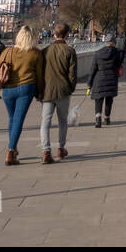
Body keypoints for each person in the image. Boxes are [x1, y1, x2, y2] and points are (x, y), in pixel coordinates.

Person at [0, 26, 45, 165]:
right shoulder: (35, 53)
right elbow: (39, 75)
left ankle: (13, 149)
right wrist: (40, 92)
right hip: (26, 88)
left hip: (8, 90)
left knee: (12, 119)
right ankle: (10, 151)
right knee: (18, 120)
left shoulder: (7, 51)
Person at [39, 22, 78, 164]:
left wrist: (40, 90)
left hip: (47, 91)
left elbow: (40, 72)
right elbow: (72, 74)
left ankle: (46, 151)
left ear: (54, 34)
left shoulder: (45, 51)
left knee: (45, 122)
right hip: (63, 90)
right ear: (67, 34)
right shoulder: (69, 51)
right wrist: (71, 88)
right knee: (62, 121)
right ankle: (61, 148)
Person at [88, 33, 123, 126]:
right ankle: (107, 118)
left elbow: (93, 69)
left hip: (99, 79)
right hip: (111, 78)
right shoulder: (117, 52)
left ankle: (98, 118)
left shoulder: (98, 53)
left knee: (98, 99)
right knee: (109, 99)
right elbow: (119, 65)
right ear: (114, 42)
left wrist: (89, 83)